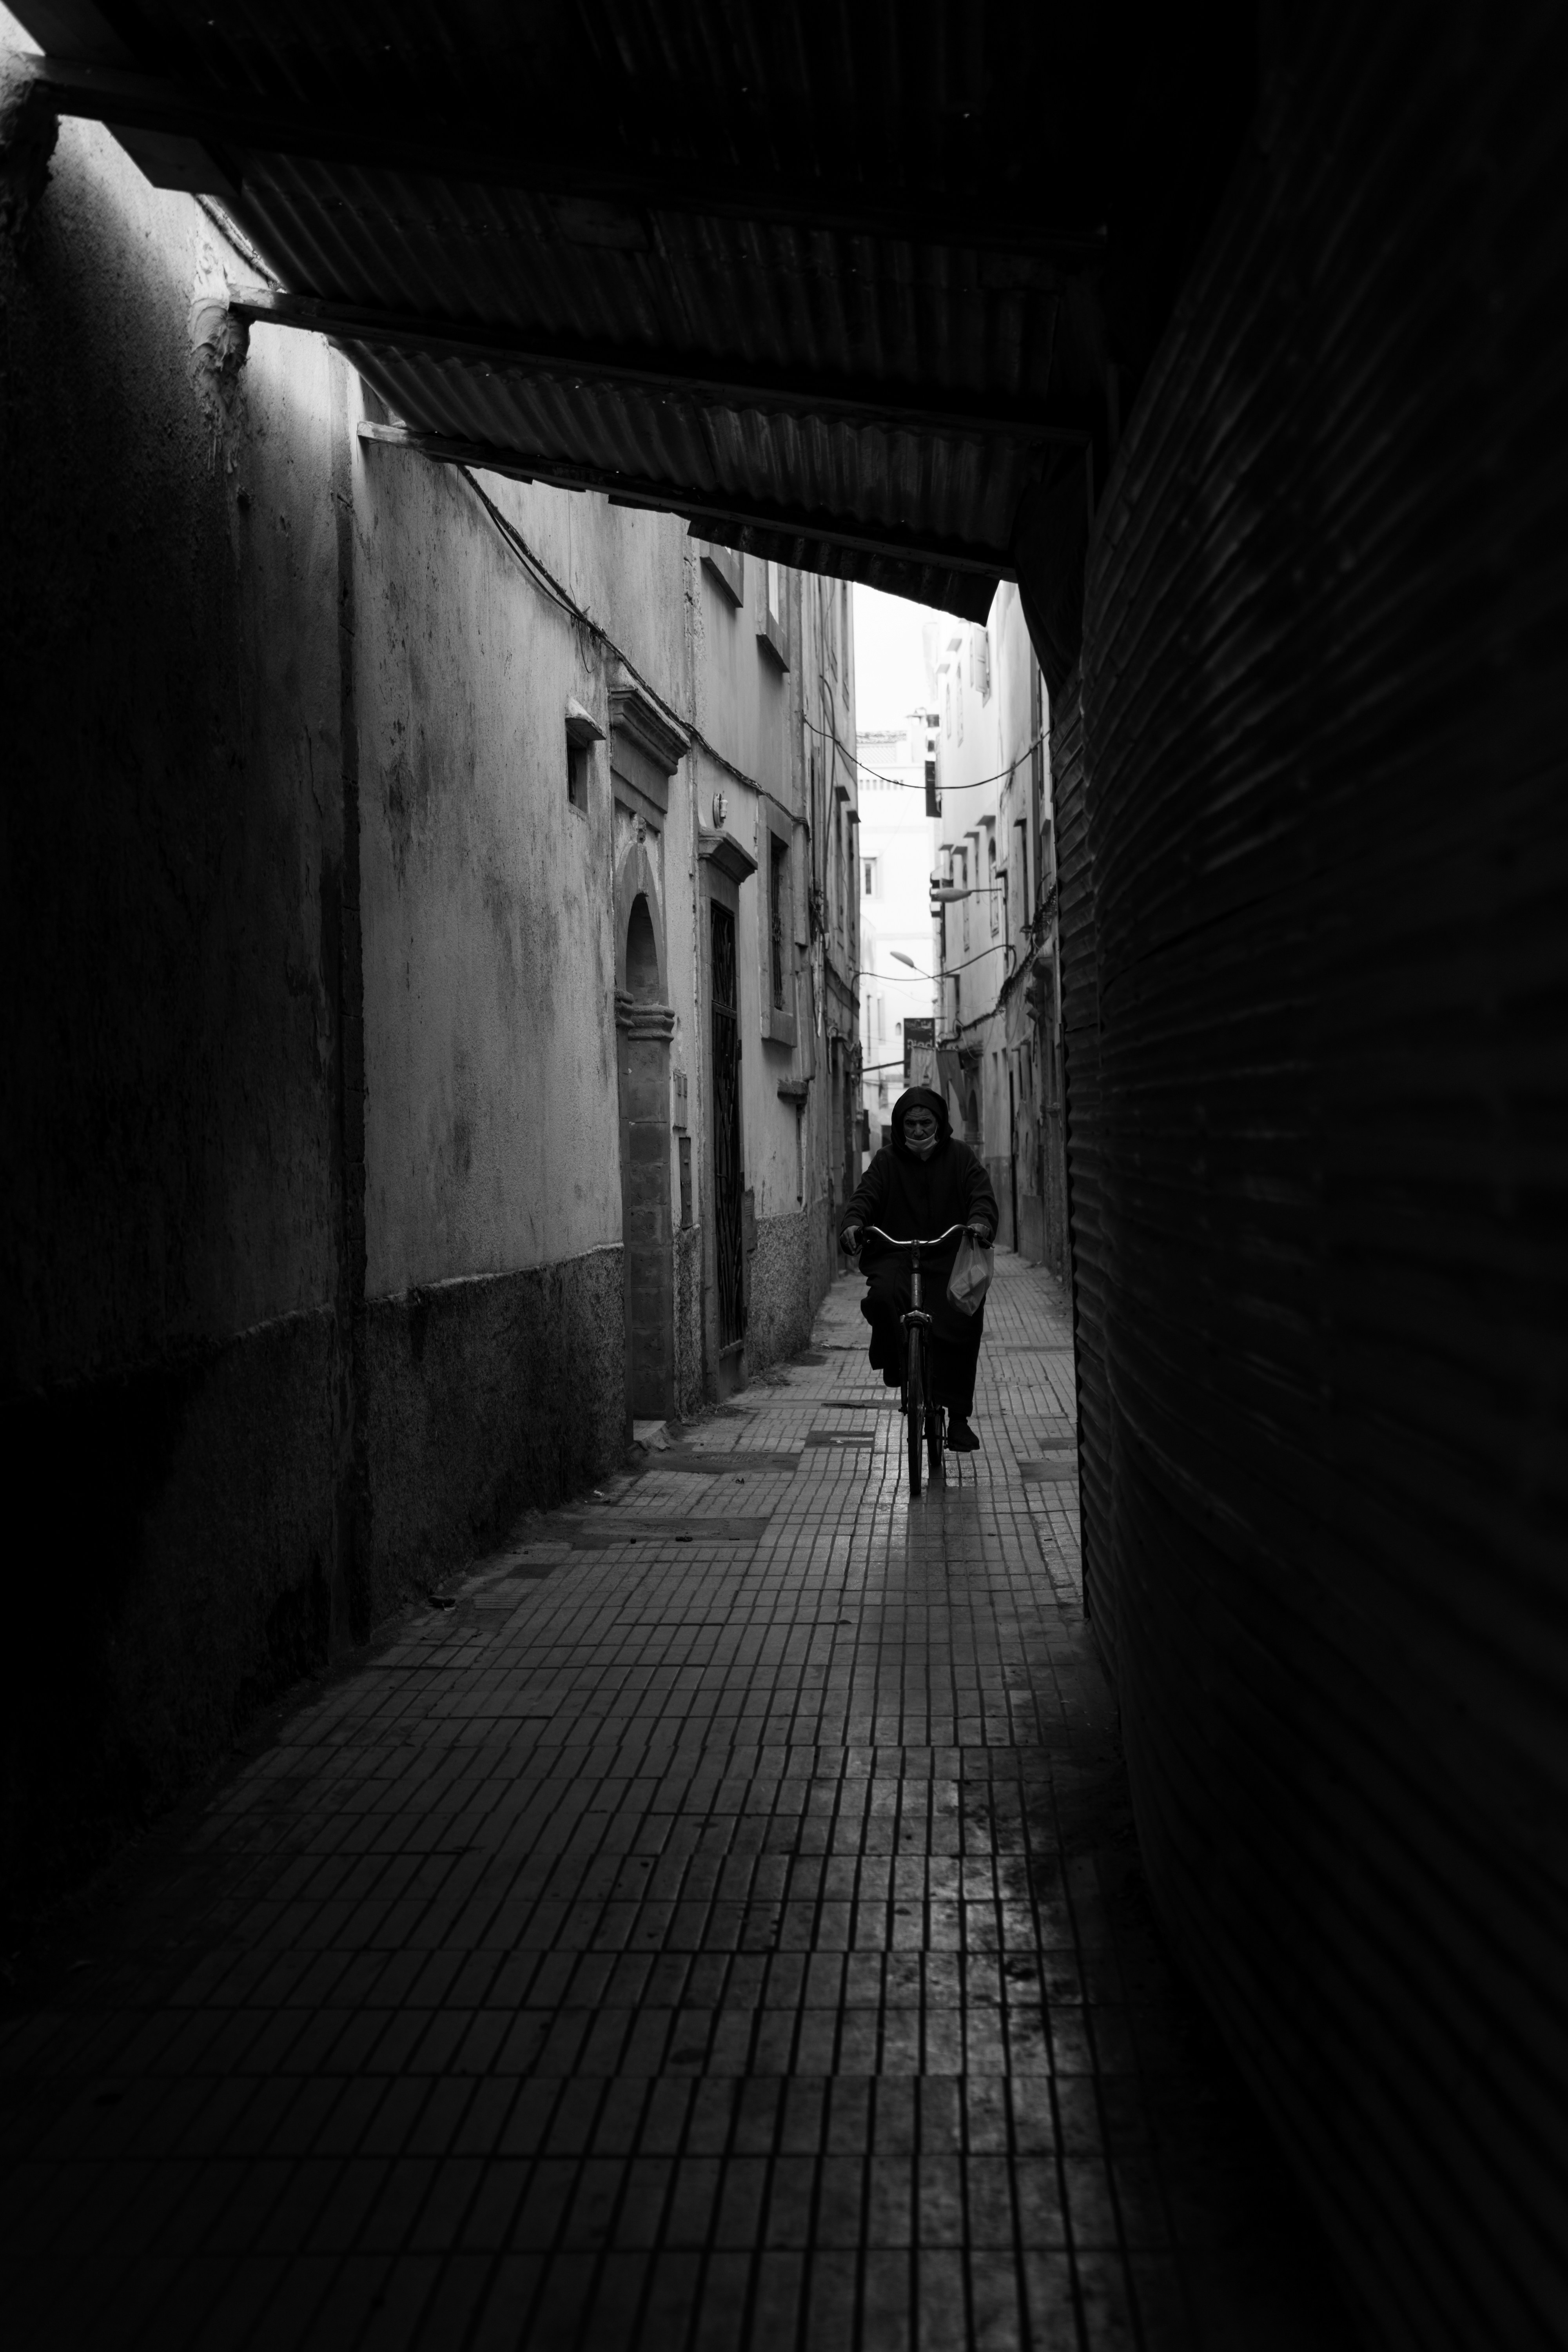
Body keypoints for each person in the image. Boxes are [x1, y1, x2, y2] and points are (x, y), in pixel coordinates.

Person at [838, 1084, 998, 1449]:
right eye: (910, 1124)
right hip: (896, 1253)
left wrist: (981, 1222)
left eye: (926, 1123)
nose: (919, 1132)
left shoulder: (960, 1158)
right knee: (881, 1298)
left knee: (963, 1317)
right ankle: (899, 1362)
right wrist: (852, 1223)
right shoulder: (886, 1161)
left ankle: (957, 1418)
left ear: (939, 1123)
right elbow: (865, 1197)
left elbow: (982, 1197)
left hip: (948, 1256)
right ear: (900, 1125)